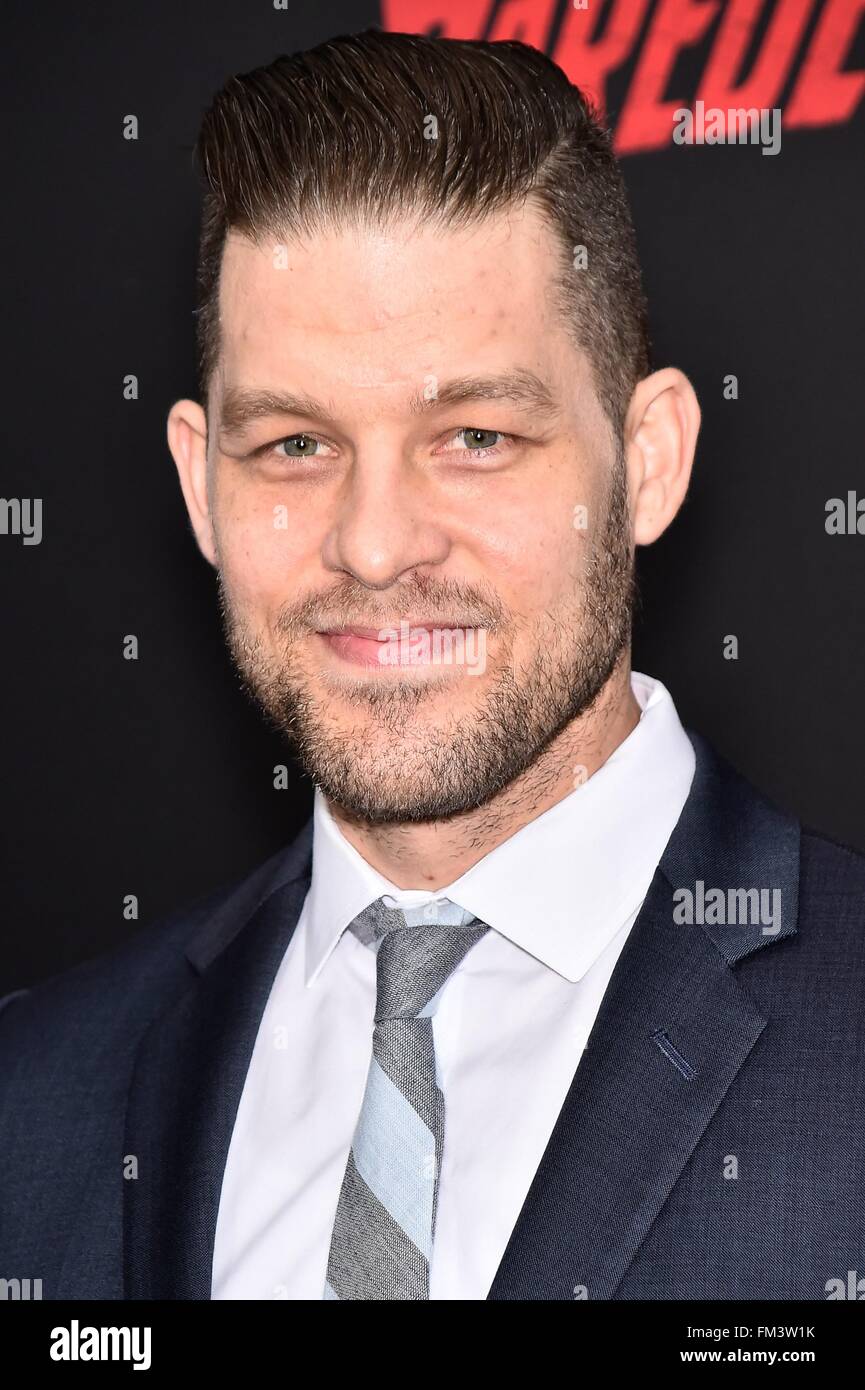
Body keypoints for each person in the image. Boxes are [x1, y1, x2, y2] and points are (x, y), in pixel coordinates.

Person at [1, 28, 862, 1302]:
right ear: (198, 486)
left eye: (473, 434)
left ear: (649, 460)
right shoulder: (38, 1096)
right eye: (293, 444)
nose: (375, 541)